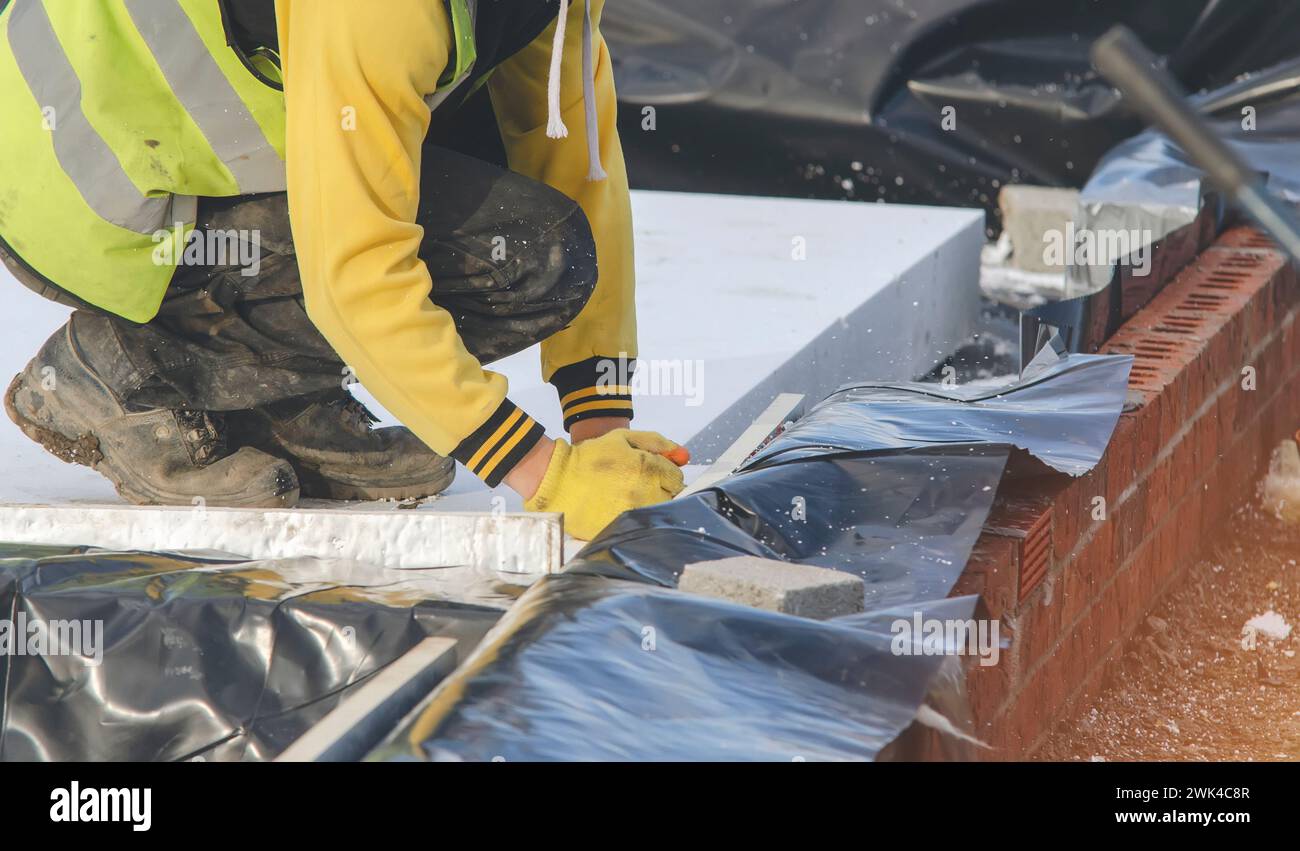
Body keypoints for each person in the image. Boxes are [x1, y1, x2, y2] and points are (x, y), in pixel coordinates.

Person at [0, 0, 686, 539]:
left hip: (194, 156)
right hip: (79, 184)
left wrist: (601, 423)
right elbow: (355, 271)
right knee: (516, 258)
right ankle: (126, 366)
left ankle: (274, 401)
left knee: (539, 243)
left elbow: (567, 145)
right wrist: (546, 475)